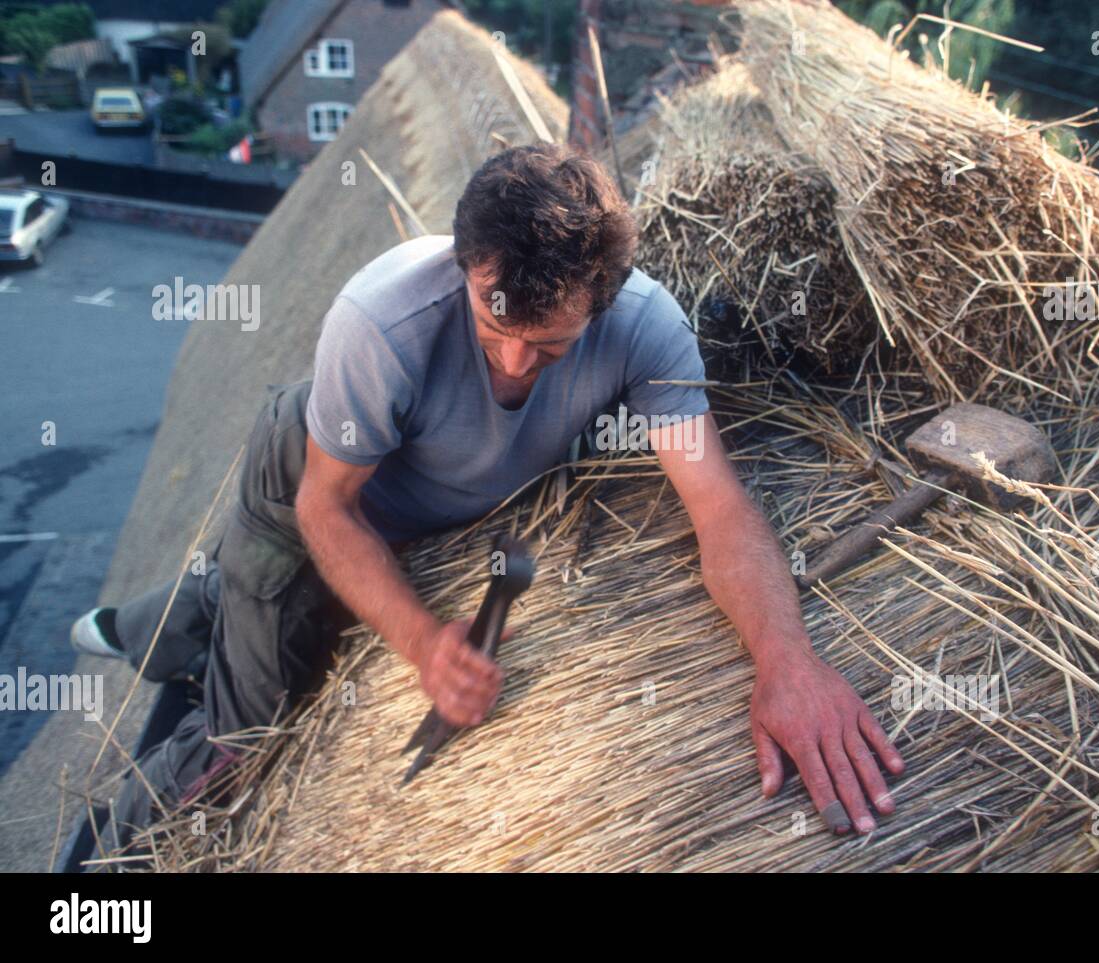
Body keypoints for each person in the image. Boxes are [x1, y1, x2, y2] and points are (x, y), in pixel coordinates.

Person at [71, 143, 904, 853]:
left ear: (604, 302)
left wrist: (786, 660)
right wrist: (428, 644)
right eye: (492, 321)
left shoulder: (649, 332)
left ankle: (193, 606)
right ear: (467, 266)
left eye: (548, 345)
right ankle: (93, 861)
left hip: (429, 498)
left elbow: (718, 509)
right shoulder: (382, 323)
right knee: (242, 737)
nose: (511, 364)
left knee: (250, 604)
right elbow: (328, 511)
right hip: (310, 488)